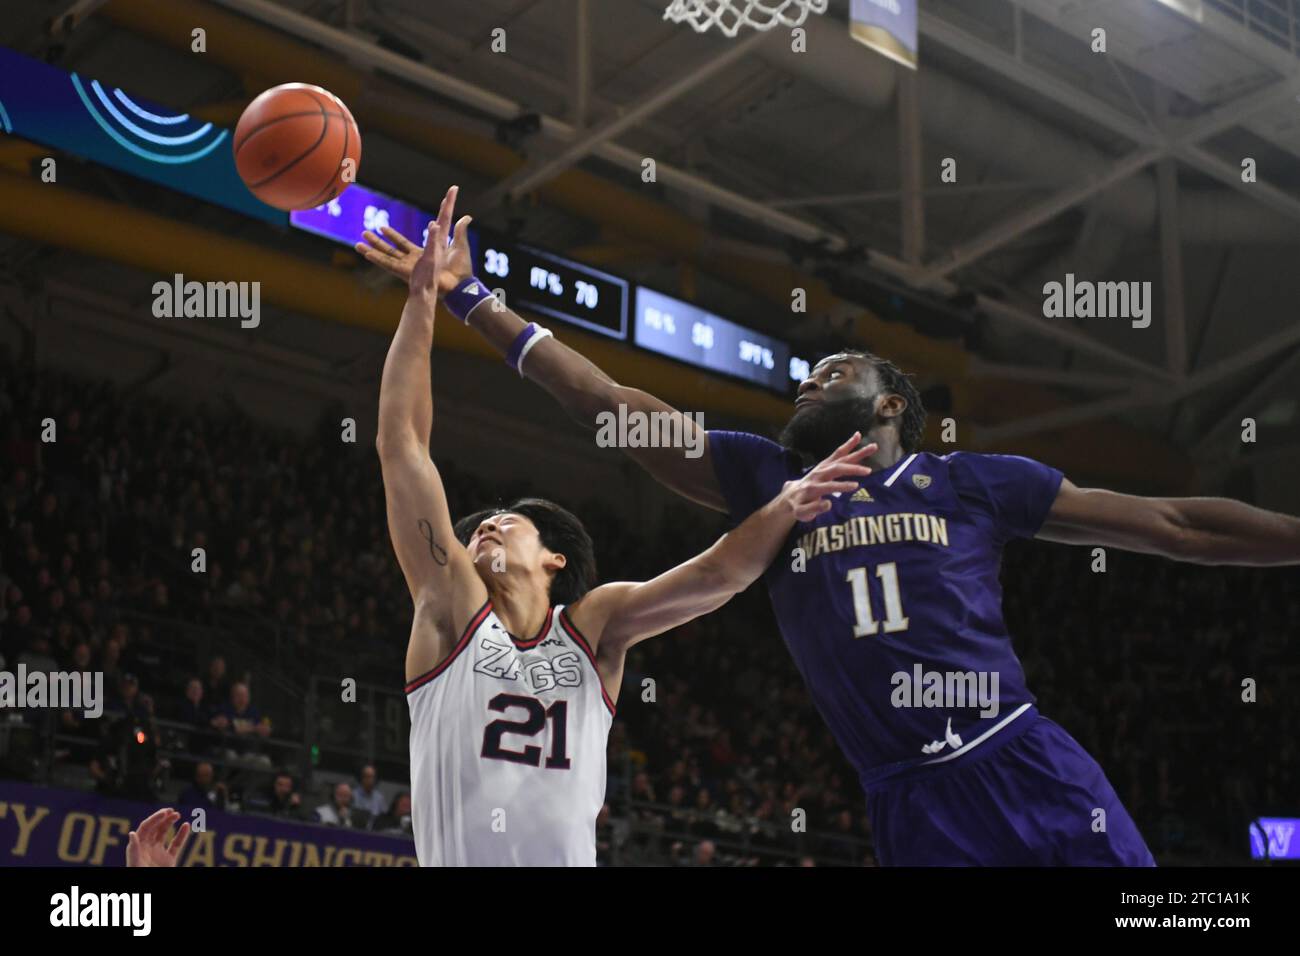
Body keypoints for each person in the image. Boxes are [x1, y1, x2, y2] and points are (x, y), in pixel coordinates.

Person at [359, 191, 1300, 867]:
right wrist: (476, 303)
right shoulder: (765, 476)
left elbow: (1174, 522)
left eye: (833, 369)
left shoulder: (971, 482)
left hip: (1012, 753)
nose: (807, 378)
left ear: (891, 402)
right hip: (904, 798)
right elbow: (609, 404)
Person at [374, 186, 872, 867]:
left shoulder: (595, 626)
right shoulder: (448, 615)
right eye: (475, 528)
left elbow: (721, 575)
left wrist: (788, 501)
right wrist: (423, 301)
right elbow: (403, 444)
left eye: (507, 521)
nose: (485, 526)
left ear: (556, 560)